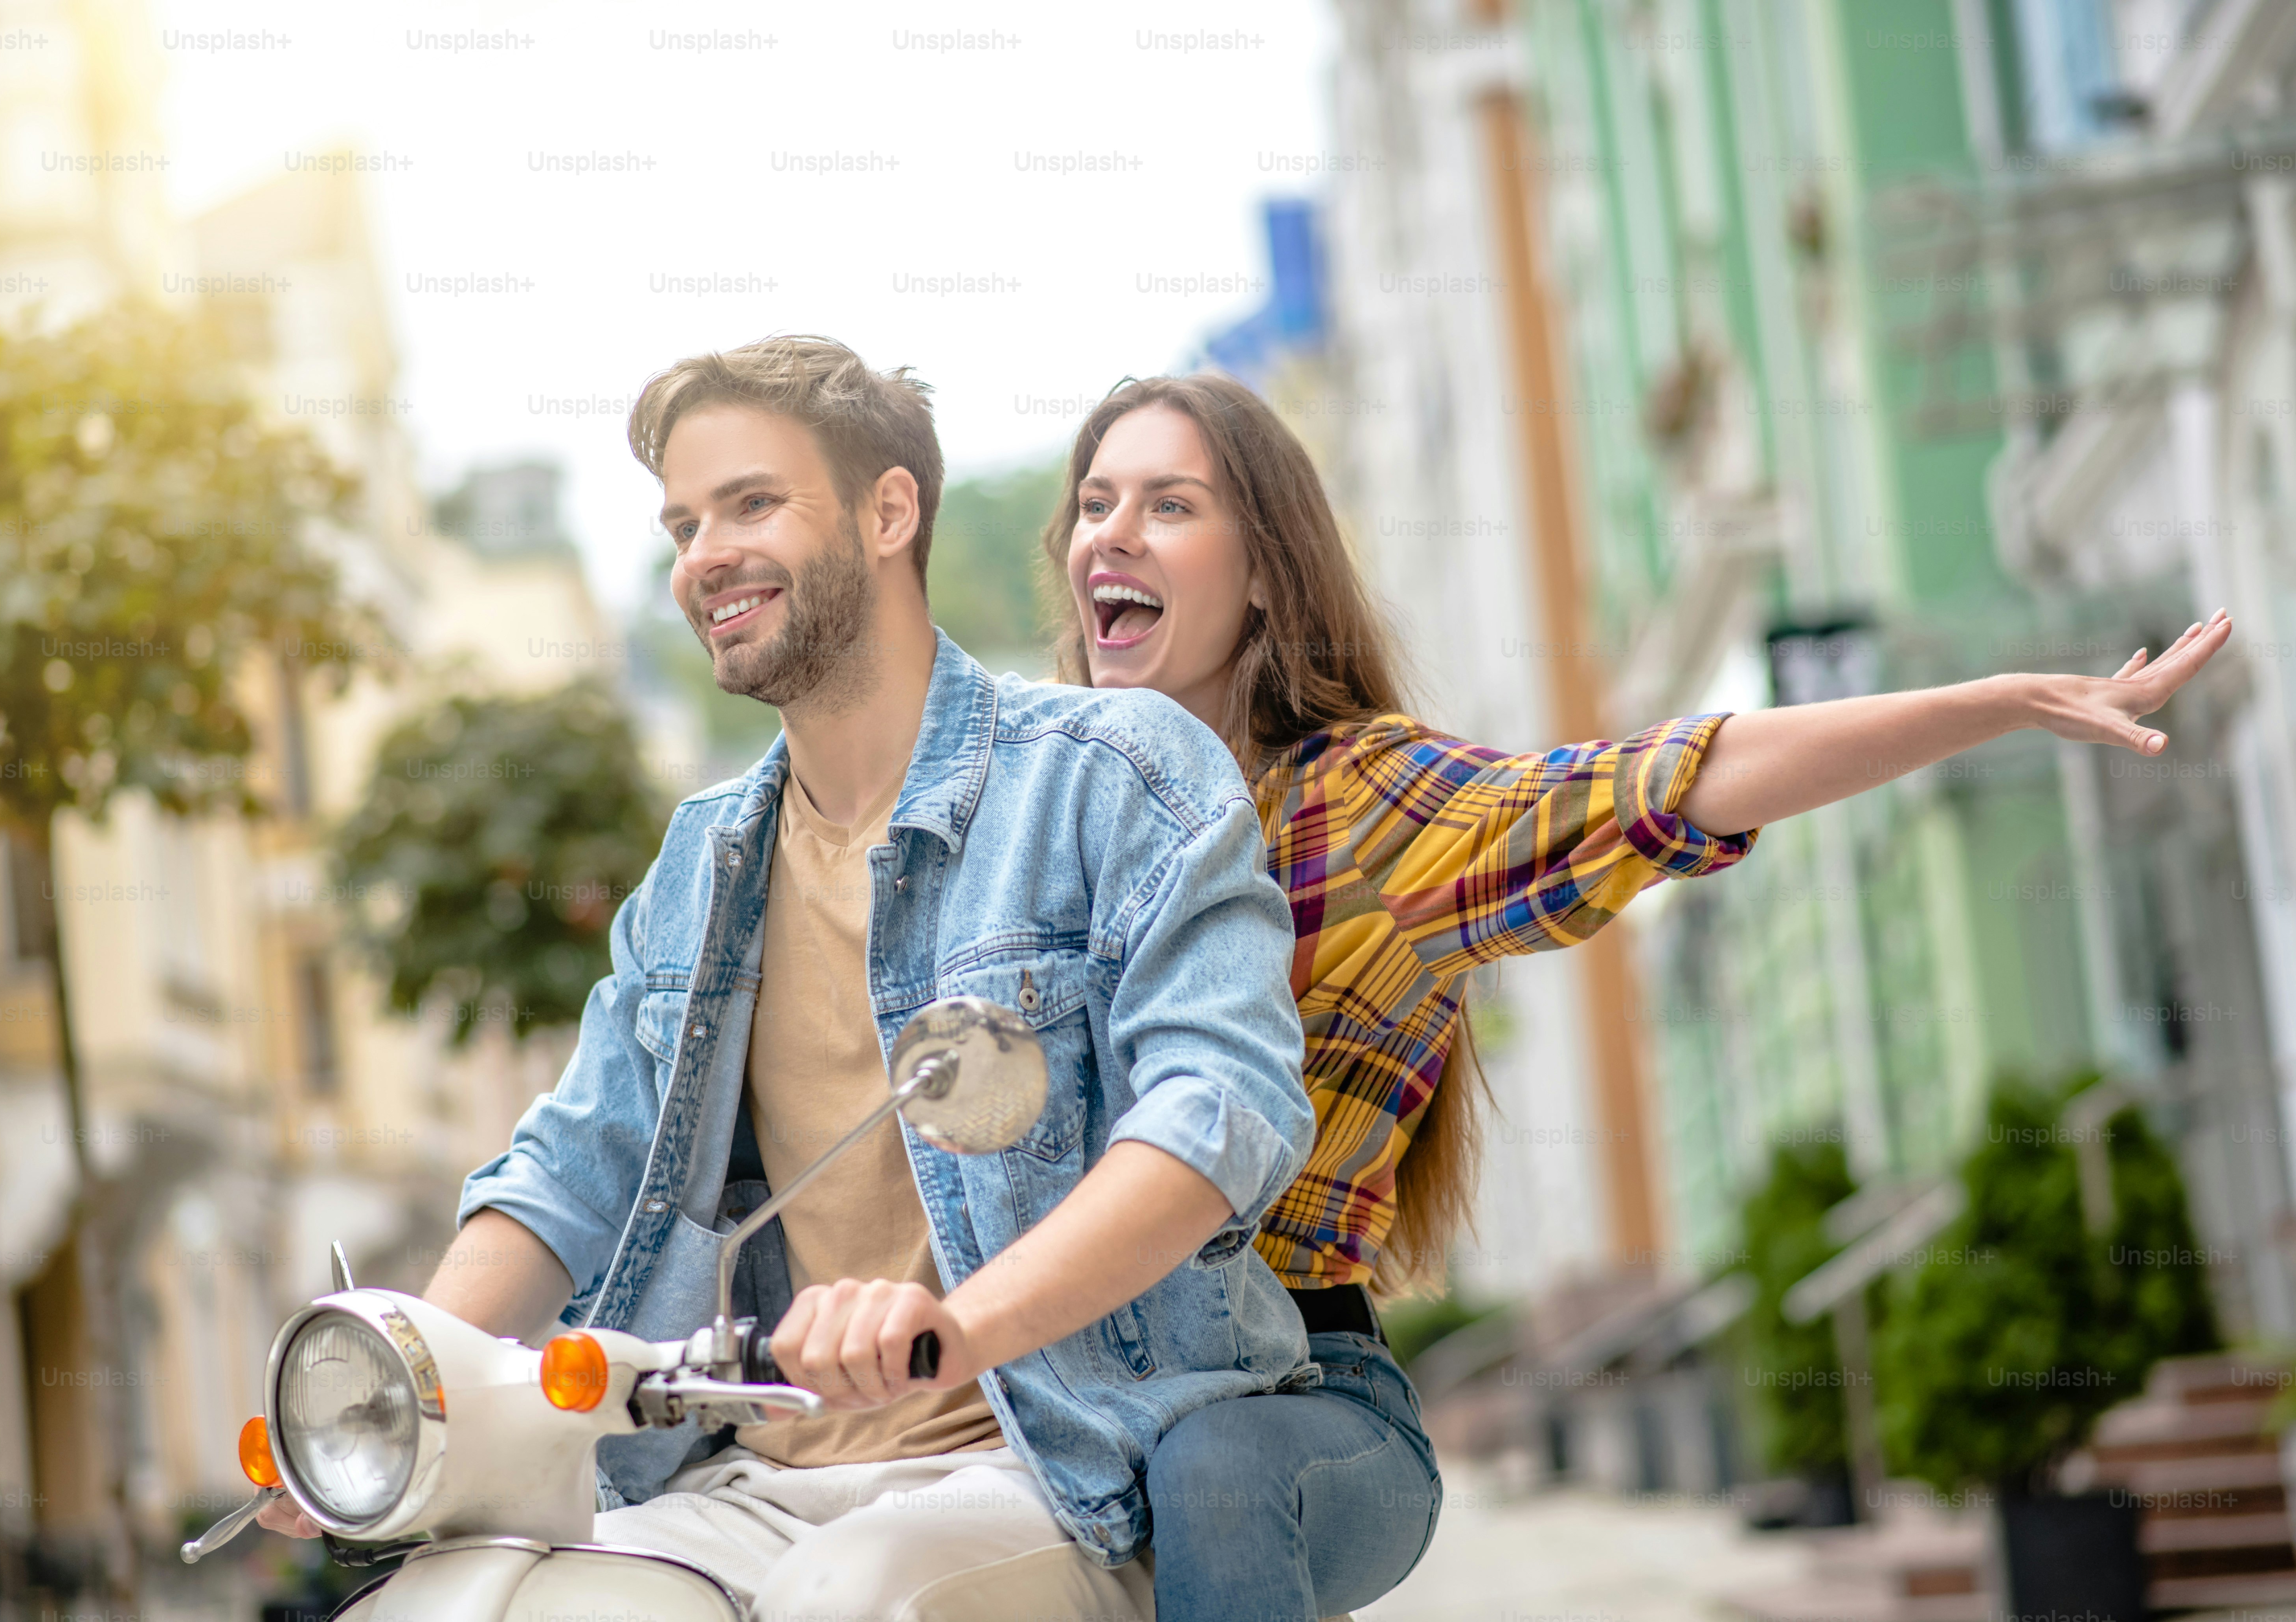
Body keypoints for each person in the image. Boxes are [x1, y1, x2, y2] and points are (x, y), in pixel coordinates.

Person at [1049, 372, 2236, 1622]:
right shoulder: (1044, 838)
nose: (1114, 534)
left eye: (1169, 504)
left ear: (1266, 574)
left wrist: (2001, 702)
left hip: (1294, 1403)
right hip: (1080, 1386)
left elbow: (1665, 781)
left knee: (1216, 1471)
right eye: (1094, 503)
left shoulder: (1360, 811)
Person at [264, 337, 1319, 1622]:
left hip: (1054, 1464)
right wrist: (392, 1388)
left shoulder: (1112, 771)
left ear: (890, 511)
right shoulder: (705, 859)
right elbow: (571, 1167)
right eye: (683, 526)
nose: (703, 556)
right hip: (753, 1477)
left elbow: (1220, 1110)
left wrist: (956, 1330)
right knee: (448, 1606)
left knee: (848, 1598)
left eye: (751, 504)